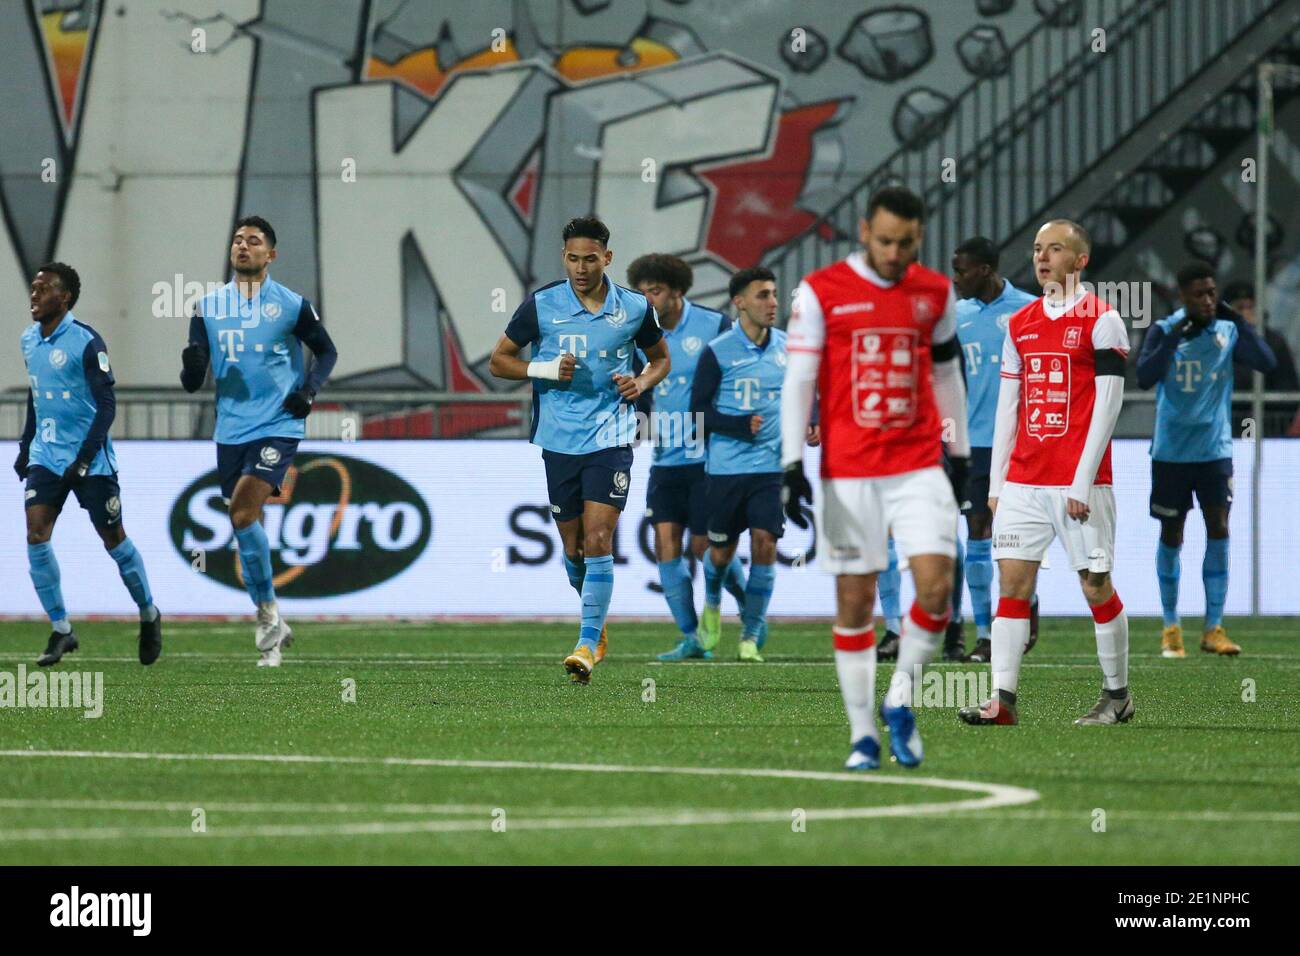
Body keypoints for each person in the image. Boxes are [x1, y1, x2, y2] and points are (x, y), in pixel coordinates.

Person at [781, 186, 970, 769]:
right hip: (849, 472)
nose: (894, 252)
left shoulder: (935, 292)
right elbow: (800, 380)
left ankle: (900, 700)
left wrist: (958, 453)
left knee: (937, 587)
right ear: (865, 232)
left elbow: (946, 375)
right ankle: (863, 735)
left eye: (906, 243)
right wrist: (791, 463)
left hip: (917, 465)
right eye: (885, 241)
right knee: (856, 602)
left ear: (919, 238)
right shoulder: (821, 292)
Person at [959, 219, 1131, 728]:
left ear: (1080, 261)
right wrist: (996, 484)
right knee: (1012, 585)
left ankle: (1116, 696)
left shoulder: (1103, 320)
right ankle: (1002, 701)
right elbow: (1008, 408)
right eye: (1037, 249)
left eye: (1055, 249)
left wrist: (1081, 480)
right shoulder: (1021, 323)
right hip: (1024, 482)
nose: (1043, 257)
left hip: (1081, 482)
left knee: (1094, 584)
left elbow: (1109, 405)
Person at [489, 216, 670, 684]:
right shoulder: (542, 305)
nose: (581, 267)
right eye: (573, 258)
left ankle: (587, 643)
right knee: (572, 549)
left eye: (591, 258)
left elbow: (661, 359)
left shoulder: (633, 307)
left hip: (611, 437)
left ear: (607, 258)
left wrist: (641, 382)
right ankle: (596, 625)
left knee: (598, 540)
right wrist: (544, 370)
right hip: (558, 440)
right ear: (564, 258)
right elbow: (499, 361)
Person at [180, 216, 339, 667]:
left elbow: (326, 350)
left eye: (253, 241)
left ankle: (267, 618)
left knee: (242, 509)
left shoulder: (291, 305)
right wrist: (191, 365)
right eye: (237, 240)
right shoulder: (208, 308)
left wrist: (308, 391)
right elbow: (193, 381)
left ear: (271, 254)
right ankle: (270, 612)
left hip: (277, 425)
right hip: (230, 429)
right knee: (242, 521)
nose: (243, 246)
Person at [17, 262, 161, 666]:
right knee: (36, 533)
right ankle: (62, 629)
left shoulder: (86, 342)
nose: (34, 295)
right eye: (33, 287)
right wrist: (26, 445)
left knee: (114, 540)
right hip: (46, 455)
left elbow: (107, 404)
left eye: (43, 289)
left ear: (63, 298)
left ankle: (149, 613)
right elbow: (37, 394)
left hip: (90, 459)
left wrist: (84, 459)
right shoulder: (29, 341)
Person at [1137, 262, 1275, 658]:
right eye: (1200, 294)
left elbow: (1266, 361)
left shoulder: (1226, 329)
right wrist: (1173, 337)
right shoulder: (1164, 331)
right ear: (1183, 296)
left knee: (1218, 526)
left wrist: (1237, 319)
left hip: (1214, 451)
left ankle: (1213, 627)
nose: (1209, 300)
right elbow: (1145, 376)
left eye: (1213, 293)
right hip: (1171, 453)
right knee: (1172, 534)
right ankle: (1170, 627)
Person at [624, 254, 743, 662]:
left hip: (708, 458)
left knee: (703, 547)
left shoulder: (714, 325)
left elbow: (737, 373)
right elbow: (643, 392)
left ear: (677, 291)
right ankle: (693, 638)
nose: (647, 298)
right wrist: (635, 425)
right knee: (666, 546)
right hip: (665, 458)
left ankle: (745, 599)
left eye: (654, 290)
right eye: (641, 291)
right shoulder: (639, 337)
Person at [691, 267, 808, 661]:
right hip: (725, 470)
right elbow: (697, 413)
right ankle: (710, 604)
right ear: (739, 302)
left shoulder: (790, 347)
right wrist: (736, 424)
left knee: (765, 544)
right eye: (762, 295)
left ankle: (750, 635)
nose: (772, 302)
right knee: (720, 552)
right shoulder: (718, 352)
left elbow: (810, 389)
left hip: (769, 470)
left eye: (775, 294)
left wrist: (814, 419)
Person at [950, 236, 1040, 663]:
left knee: (1017, 537)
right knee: (977, 534)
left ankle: (1027, 605)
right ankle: (986, 634)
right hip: (973, 446)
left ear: (984, 270)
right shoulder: (955, 316)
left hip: (1022, 443)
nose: (955, 278)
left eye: (961, 269)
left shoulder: (1027, 308)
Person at [1225, 281, 1299, 436]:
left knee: (1251, 449)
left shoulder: (1274, 343)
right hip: (1224, 423)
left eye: (1250, 307)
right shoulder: (1216, 343)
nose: (1246, 313)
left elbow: (1287, 389)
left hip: (1265, 423)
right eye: (1240, 308)